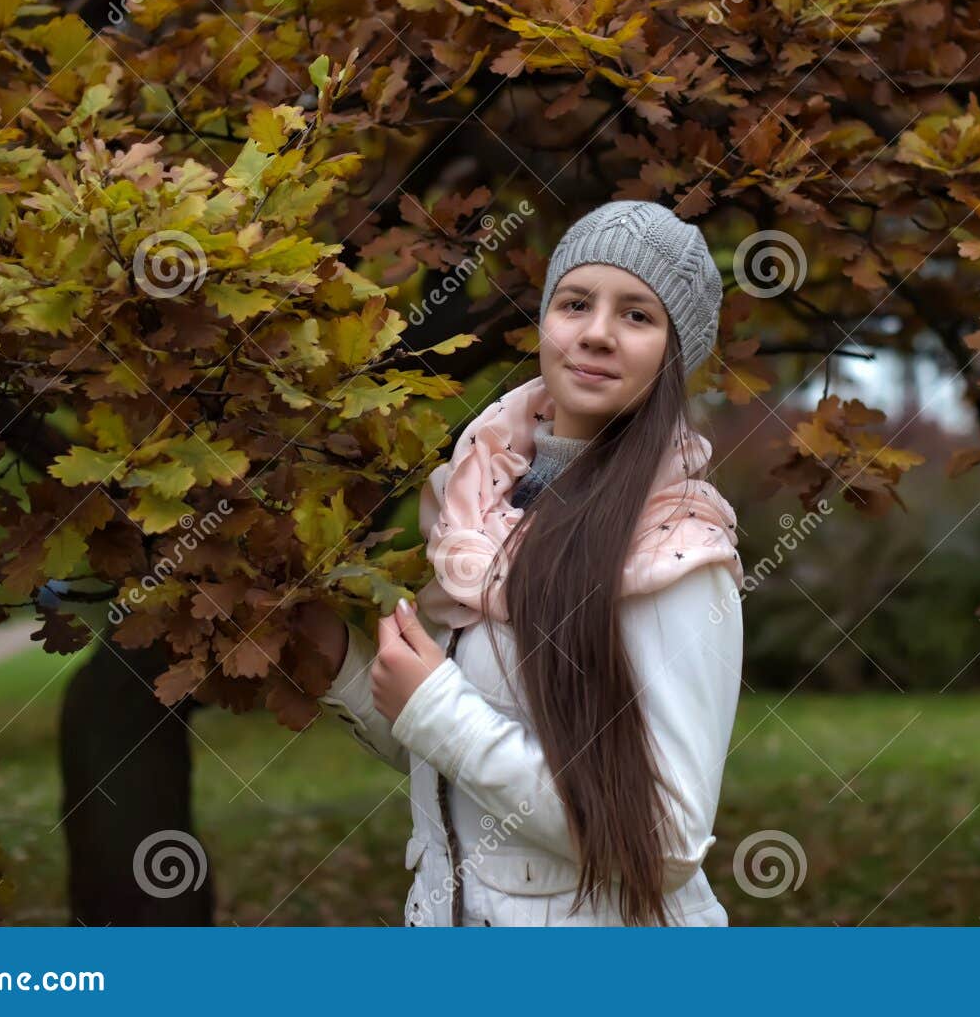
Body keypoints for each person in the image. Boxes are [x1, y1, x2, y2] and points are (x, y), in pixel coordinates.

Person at [317, 199, 744, 926]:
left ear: (675, 354)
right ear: (547, 319)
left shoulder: (675, 548)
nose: (598, 333)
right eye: (576, 302)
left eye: (638, 315)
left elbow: (666, 839)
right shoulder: (474, 509)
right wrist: (341, 665)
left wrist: (433, 708)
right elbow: (456, 762)